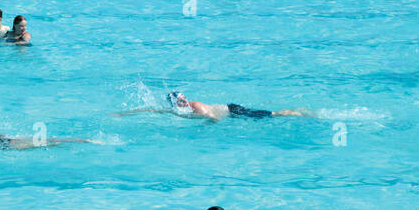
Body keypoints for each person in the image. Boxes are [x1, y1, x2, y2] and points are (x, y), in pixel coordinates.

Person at [117, 91, 312, 122]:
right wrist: (123, 113)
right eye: (179, 101)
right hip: (229, 111)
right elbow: (153, 110)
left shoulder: (195, 107)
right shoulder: (179, 110)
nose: (183, 102)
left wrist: (203, 128)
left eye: (184, 99)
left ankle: (296, 112)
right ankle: (294, 111)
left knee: (271, 115)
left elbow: (214, 118)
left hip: (233, 112)